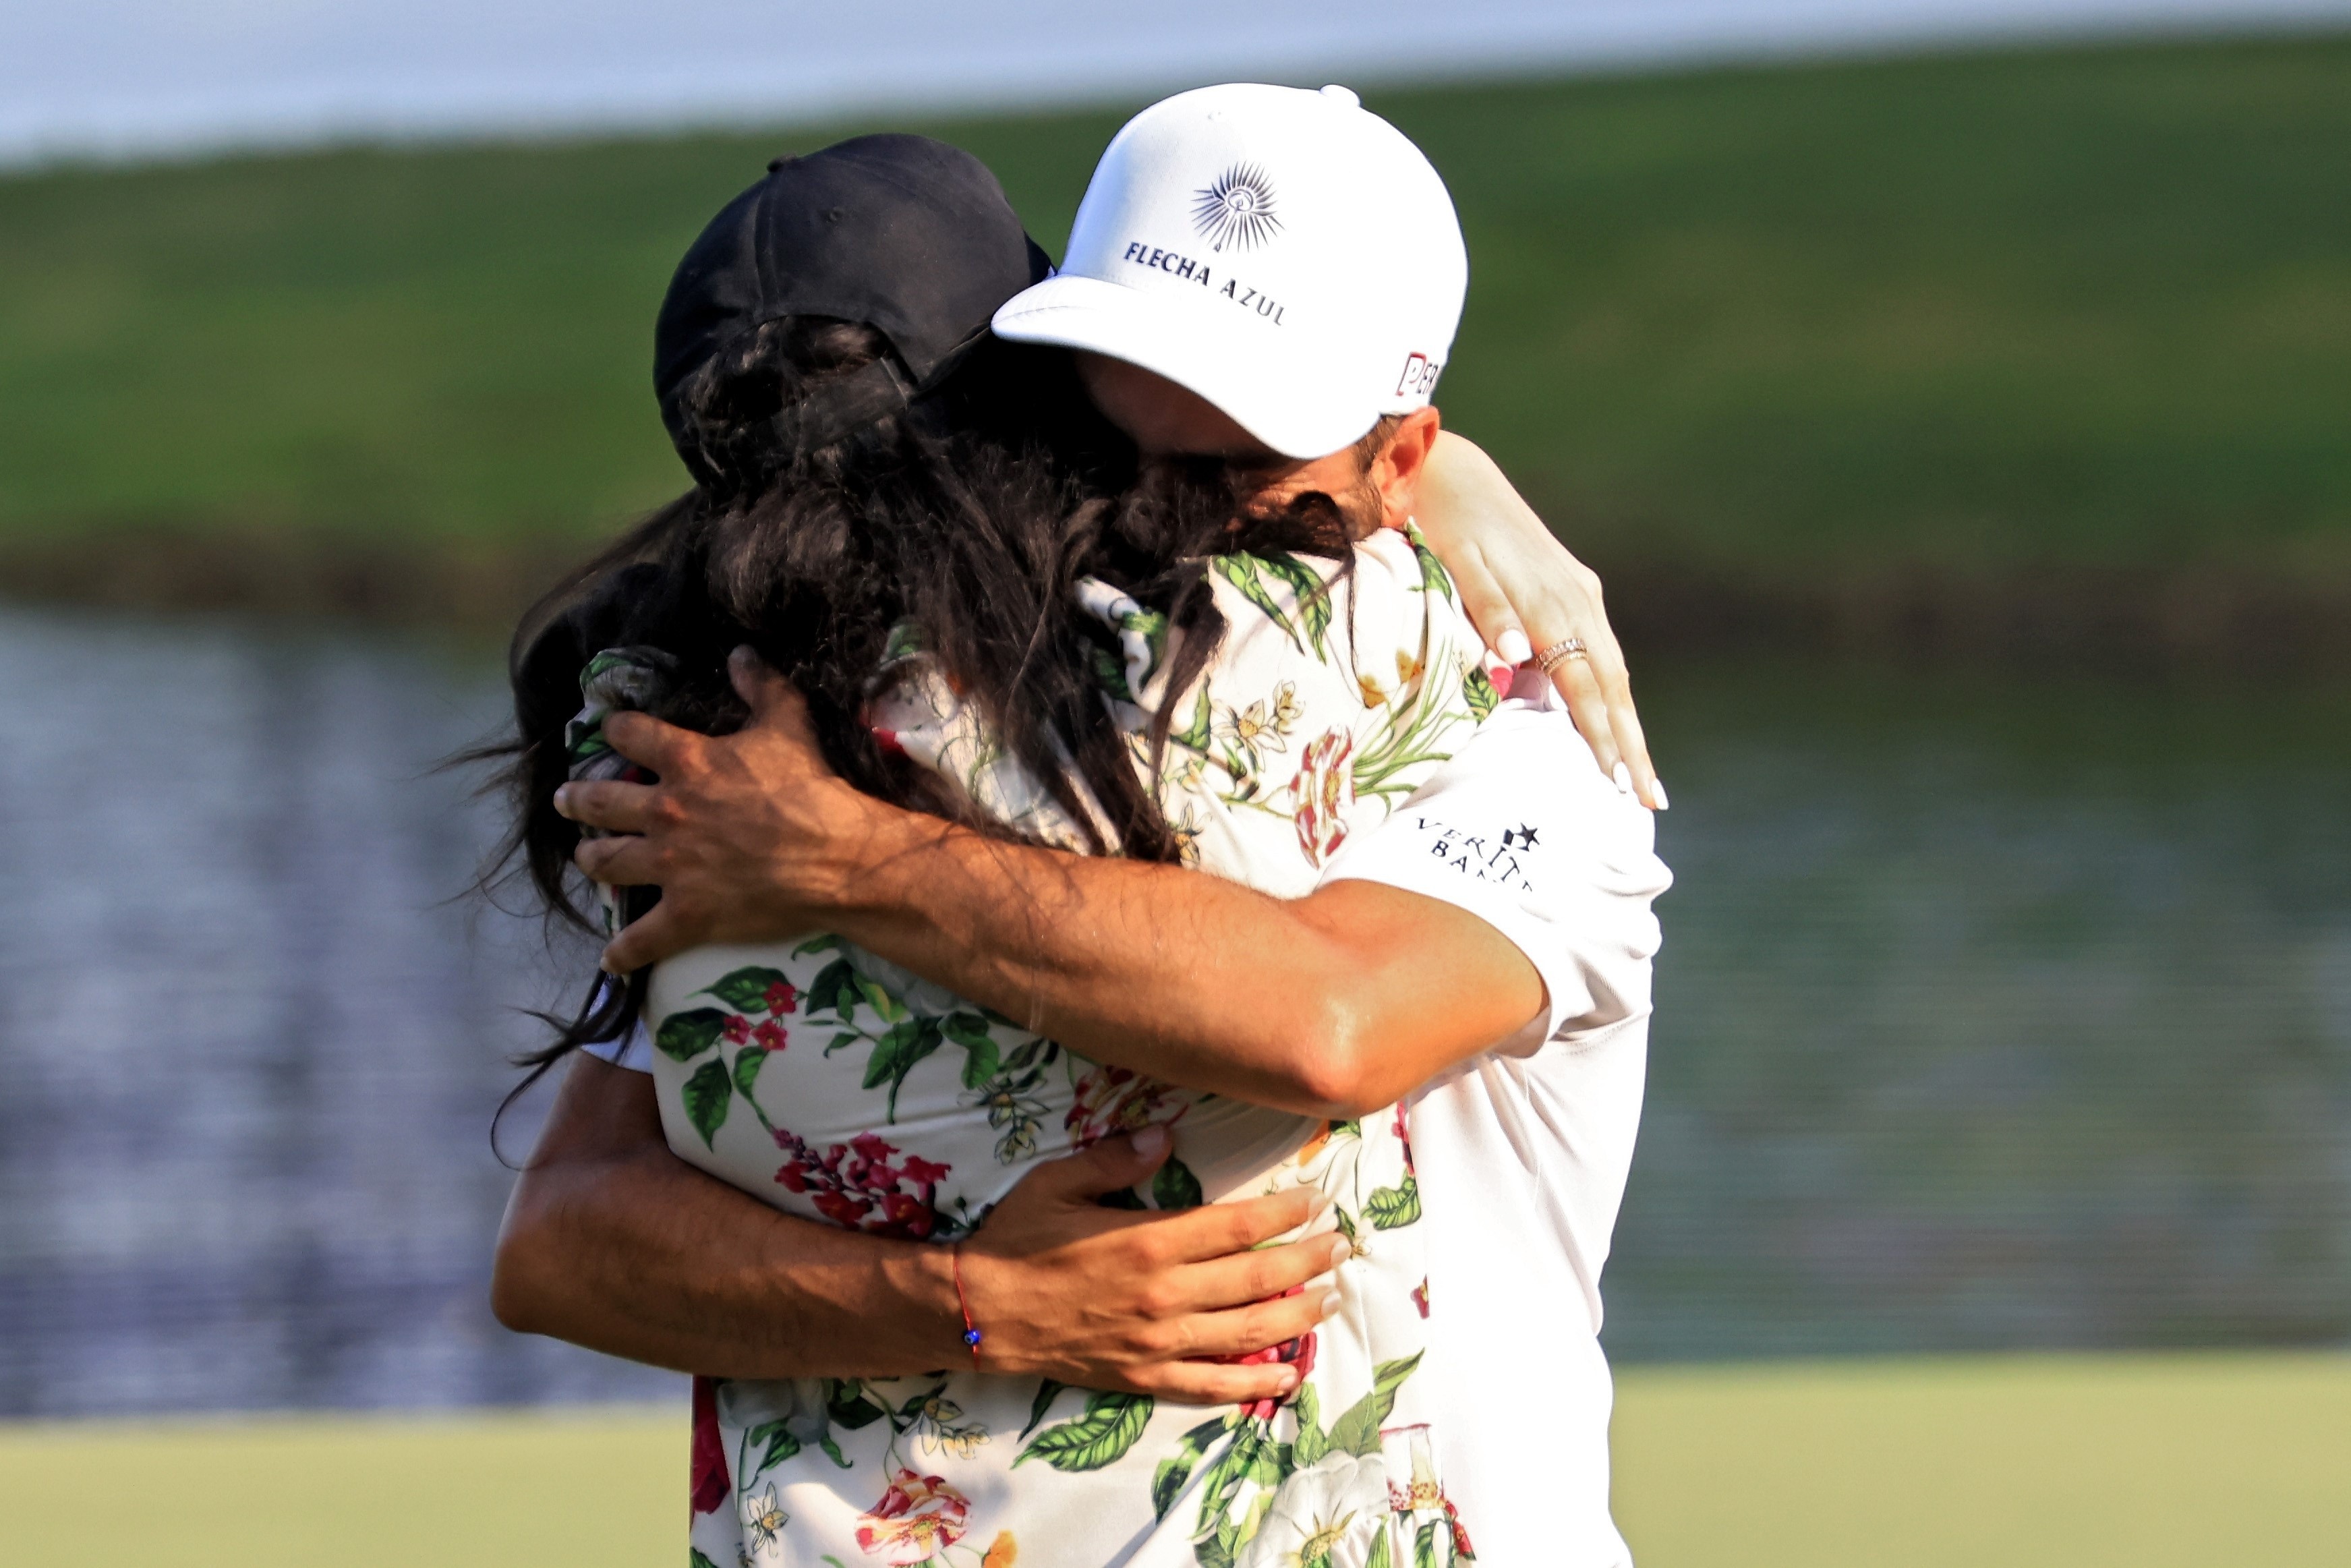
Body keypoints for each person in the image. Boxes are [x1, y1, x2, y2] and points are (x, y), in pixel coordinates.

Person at [508, 87, 1669, 1567]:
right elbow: (564, 1241)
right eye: (1124, 438)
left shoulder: (1514, 737)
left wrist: (842, 859)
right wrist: (975, 1300)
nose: (1183, 516)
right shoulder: (789, 759)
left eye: (1244, 464)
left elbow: (1333, 1022)